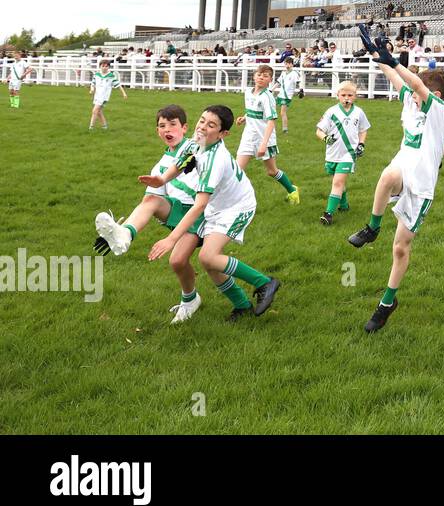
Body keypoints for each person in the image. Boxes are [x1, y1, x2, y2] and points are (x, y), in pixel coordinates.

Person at [348, 25, 444, 332]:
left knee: (400, 248)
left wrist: (394, 60)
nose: (413, 92)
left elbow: (414, 82)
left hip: (422, 186)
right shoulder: (410, 97)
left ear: (434, 95)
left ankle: (387, 302)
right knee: (386, 175)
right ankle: (372, 227)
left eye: (419, 89)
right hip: (402, 169)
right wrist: (376, 55)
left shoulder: (440, 109)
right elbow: (399, 78)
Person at [145, 104, 281, 322]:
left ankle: (264, 283)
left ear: (223, 133)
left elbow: (198, 205)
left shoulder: (215, 161)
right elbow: (181, 163)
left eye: (211, 125)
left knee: (208, 256)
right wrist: (161, 180)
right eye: (202, 120)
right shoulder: (199, 141)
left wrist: (171, 239)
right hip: (217, 207)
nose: (202, 127)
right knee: (210, 260)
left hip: (237, 207)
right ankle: (242, 305)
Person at [94, 104, 205, 323]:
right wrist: (114, 232)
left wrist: (201, 136)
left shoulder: (195, 147)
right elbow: (148, 203)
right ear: (157, 131)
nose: (167, 129)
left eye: (173, 124)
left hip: (201, 213)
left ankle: (197, 299)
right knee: (152, 200)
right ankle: (124, 234)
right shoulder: (159, 166)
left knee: (180, 261)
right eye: (162, 126)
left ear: (184, 128)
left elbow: (203, 140)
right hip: (178, 214)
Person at [233, 65, 300, 204]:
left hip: (265, 139)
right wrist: (244, 118)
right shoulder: (248, 92)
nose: (261, 78)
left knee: (271, 171)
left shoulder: (268, 97)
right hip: (248, 137)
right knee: (237, 170)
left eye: (265, 76)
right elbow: (253, 110)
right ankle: (239, 201)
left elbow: (271, 121)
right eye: (259, 74)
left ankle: (292, 190)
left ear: (270, 80)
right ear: (254, 76)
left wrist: (263, 144)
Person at [314, 80, 370, 226]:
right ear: (337, 95)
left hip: (349, 154)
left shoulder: (359, 112)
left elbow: (363, 130)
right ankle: (343, 205)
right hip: (332, 154)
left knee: (337, 182)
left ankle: (328, 214)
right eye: (343, 95)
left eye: (350, 95)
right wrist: (326, 138)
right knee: (339, 182)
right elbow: (319, 131)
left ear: (355, 96)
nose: (347, 98)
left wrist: (361, 144)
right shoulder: (331, 112)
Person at [88, 57, 127, 129]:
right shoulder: (96, 75)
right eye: (103, 66)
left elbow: (118, 85)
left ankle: (91, 127)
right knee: (99, 112)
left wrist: (124, 93)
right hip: (97, 96)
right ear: (100, 66)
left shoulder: (111, 76)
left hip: (104, 97)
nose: (104, 68)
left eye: (106, 66)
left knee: (95, 110)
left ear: (109, 67)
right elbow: (93, 84)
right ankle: (104, 126)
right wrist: (92, 89)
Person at [276, 58, 300, 132]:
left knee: (282, 112)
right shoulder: (283, 72)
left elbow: (298, 82)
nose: (287, 65)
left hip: (287, 96)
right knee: (271, 108)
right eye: (286, 63)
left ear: (292, 64)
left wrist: (301, 90)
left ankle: (285, 129)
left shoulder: (295, 73)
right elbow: (278, 82)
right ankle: (270, 125)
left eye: (289, 63)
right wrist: (271, 90)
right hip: (280, 94)